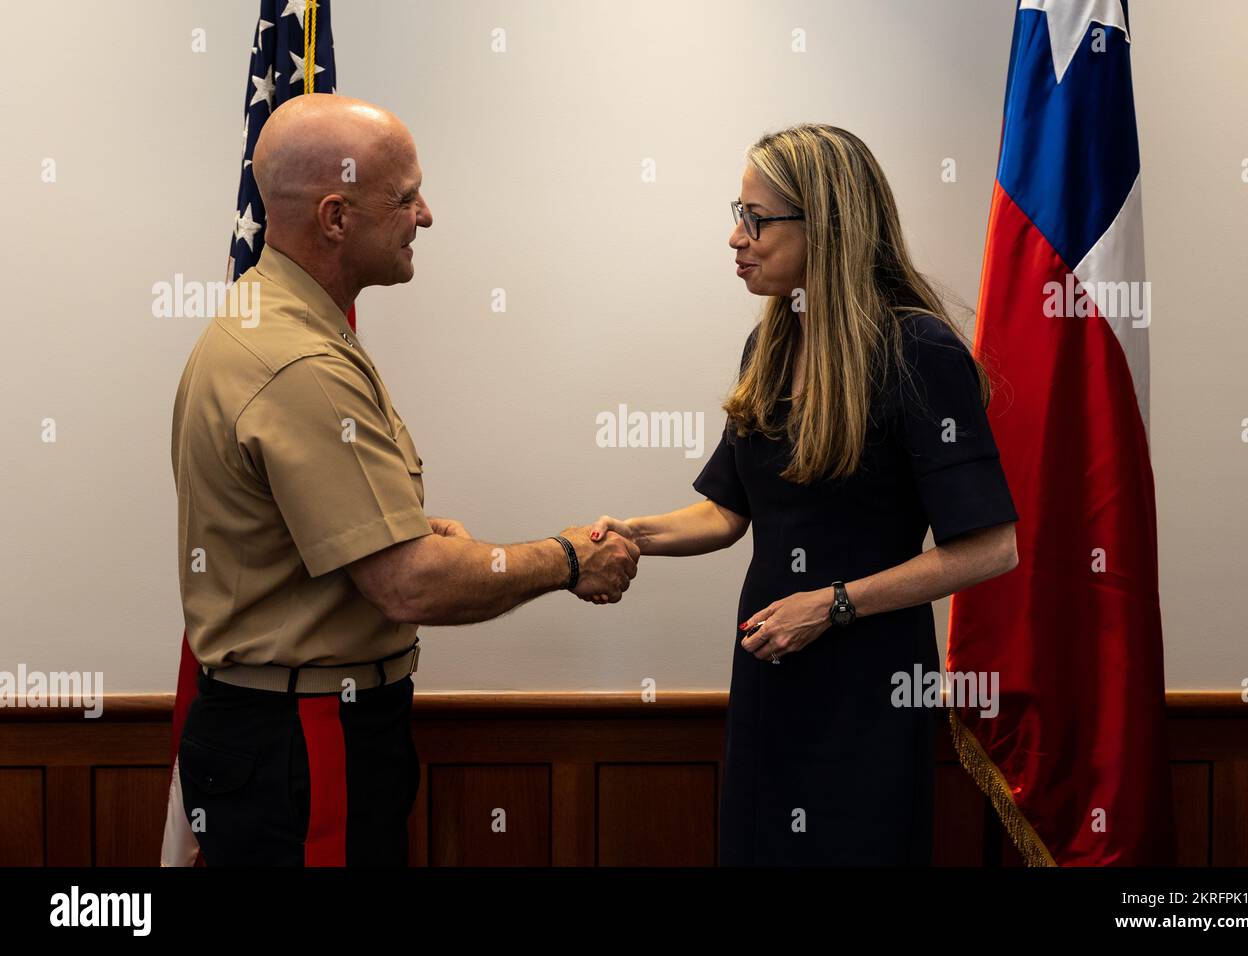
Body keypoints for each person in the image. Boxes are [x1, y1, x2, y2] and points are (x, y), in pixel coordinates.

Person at [170, 94, 638, 866]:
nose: (426, 216)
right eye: (406, 196)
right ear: (334, 217)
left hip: (290, 730)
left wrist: (404, 536)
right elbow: (408, 586)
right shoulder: (299, 363)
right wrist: (568, 559)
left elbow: (333, 543)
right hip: (308, 737)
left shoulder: (270, 324)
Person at [586, 124, 1020, 865]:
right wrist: (632, 533)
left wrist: (832, 603)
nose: (735, 237)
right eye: (738, 213)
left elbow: (990, 548)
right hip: (770, 670)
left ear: (827, 223)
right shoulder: (775, 342)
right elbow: (728, 512)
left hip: (870, 685)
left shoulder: (921, 353)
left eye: (756, 219)